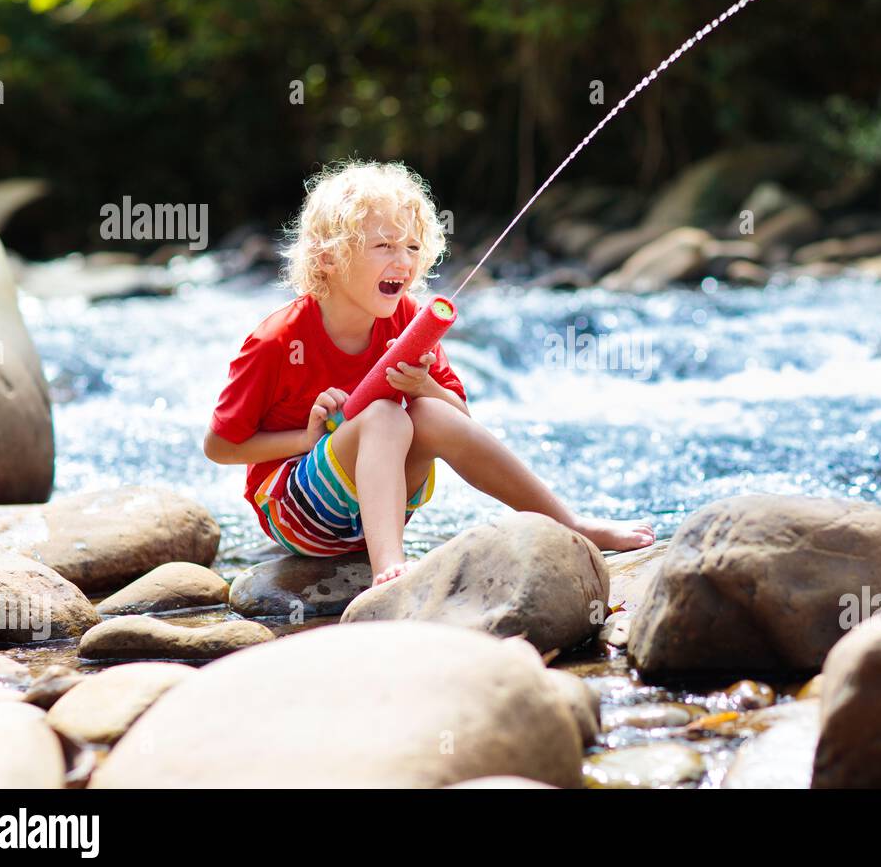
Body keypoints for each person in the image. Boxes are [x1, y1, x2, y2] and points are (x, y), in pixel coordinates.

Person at [203, 160, 655, 587]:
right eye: (384, 246)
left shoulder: (409, 319)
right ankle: (389, 570)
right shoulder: (278, 339)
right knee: (385, 414)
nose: (403, 261)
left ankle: (570, 523)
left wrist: (426, 386)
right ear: (328, 258)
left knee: (427, 413)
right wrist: (306, 441)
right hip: (297, 512)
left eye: (413, 247)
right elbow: (220, 446)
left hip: (383, 504)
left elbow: (459, 417)